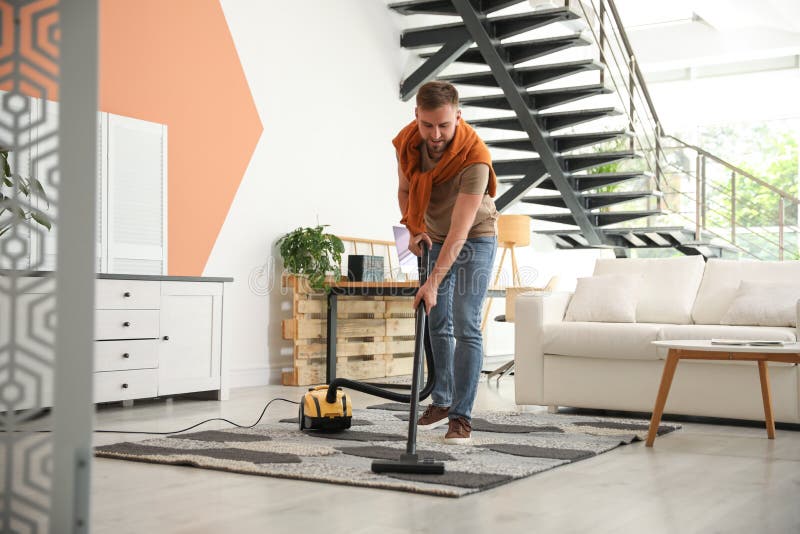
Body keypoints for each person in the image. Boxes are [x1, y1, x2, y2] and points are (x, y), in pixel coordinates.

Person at [393, 81, 498, 445]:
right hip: (434, 234)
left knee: (466, 319)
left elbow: (460, 232)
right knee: (437, 320)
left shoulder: (475, 158)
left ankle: (461, 417)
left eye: (444, 125)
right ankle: (442, 400)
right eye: (427, 125)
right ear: (416, 117)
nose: (435, 135)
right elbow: (406, 191)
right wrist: (412, 228)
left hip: (475, 236)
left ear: (458, 116)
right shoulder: (408, 142)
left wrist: (433, 282)